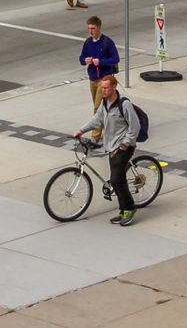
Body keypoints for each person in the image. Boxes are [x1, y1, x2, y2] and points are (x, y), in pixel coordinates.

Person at [71, 74, 139, 226]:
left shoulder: (124, 105)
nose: (103, 91)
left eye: (106, 88)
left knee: (115, 179)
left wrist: (126, 143)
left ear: (114, 87)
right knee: (118, 178)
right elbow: (98, 119)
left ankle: (130, 209)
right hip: (111, 145)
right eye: (102, 88)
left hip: (123, 146)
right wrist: (81, 130)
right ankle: (123, 210)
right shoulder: (105, 103)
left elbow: (135, 126)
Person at [79, 16, 120, 141]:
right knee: (100, 106)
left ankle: (95, 137)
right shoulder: (87, 43)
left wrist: (101, 62)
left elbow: (115, 59)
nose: (91, 31)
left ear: (99, 28)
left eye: (93, 28)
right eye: (89, 28)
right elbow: (81, 58)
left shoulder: (107, 42)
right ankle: (106, 126)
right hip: (92, 78)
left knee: (97, 107)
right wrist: (85, 60)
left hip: (104, 78)